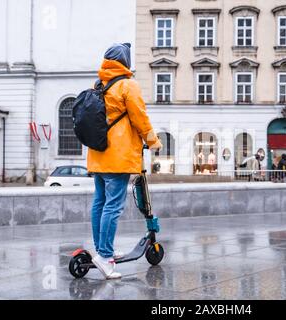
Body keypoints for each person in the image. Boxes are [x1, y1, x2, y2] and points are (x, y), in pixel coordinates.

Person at [87, 43, 162, 280]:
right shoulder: (128, 85)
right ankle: (105, 256)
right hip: (117, 157)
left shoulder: (98, 84)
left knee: (100, 203)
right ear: (125, 62)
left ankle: (101, 250)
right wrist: (153, 141)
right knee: (113, 206)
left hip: (97, 155)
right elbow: (140, 117)